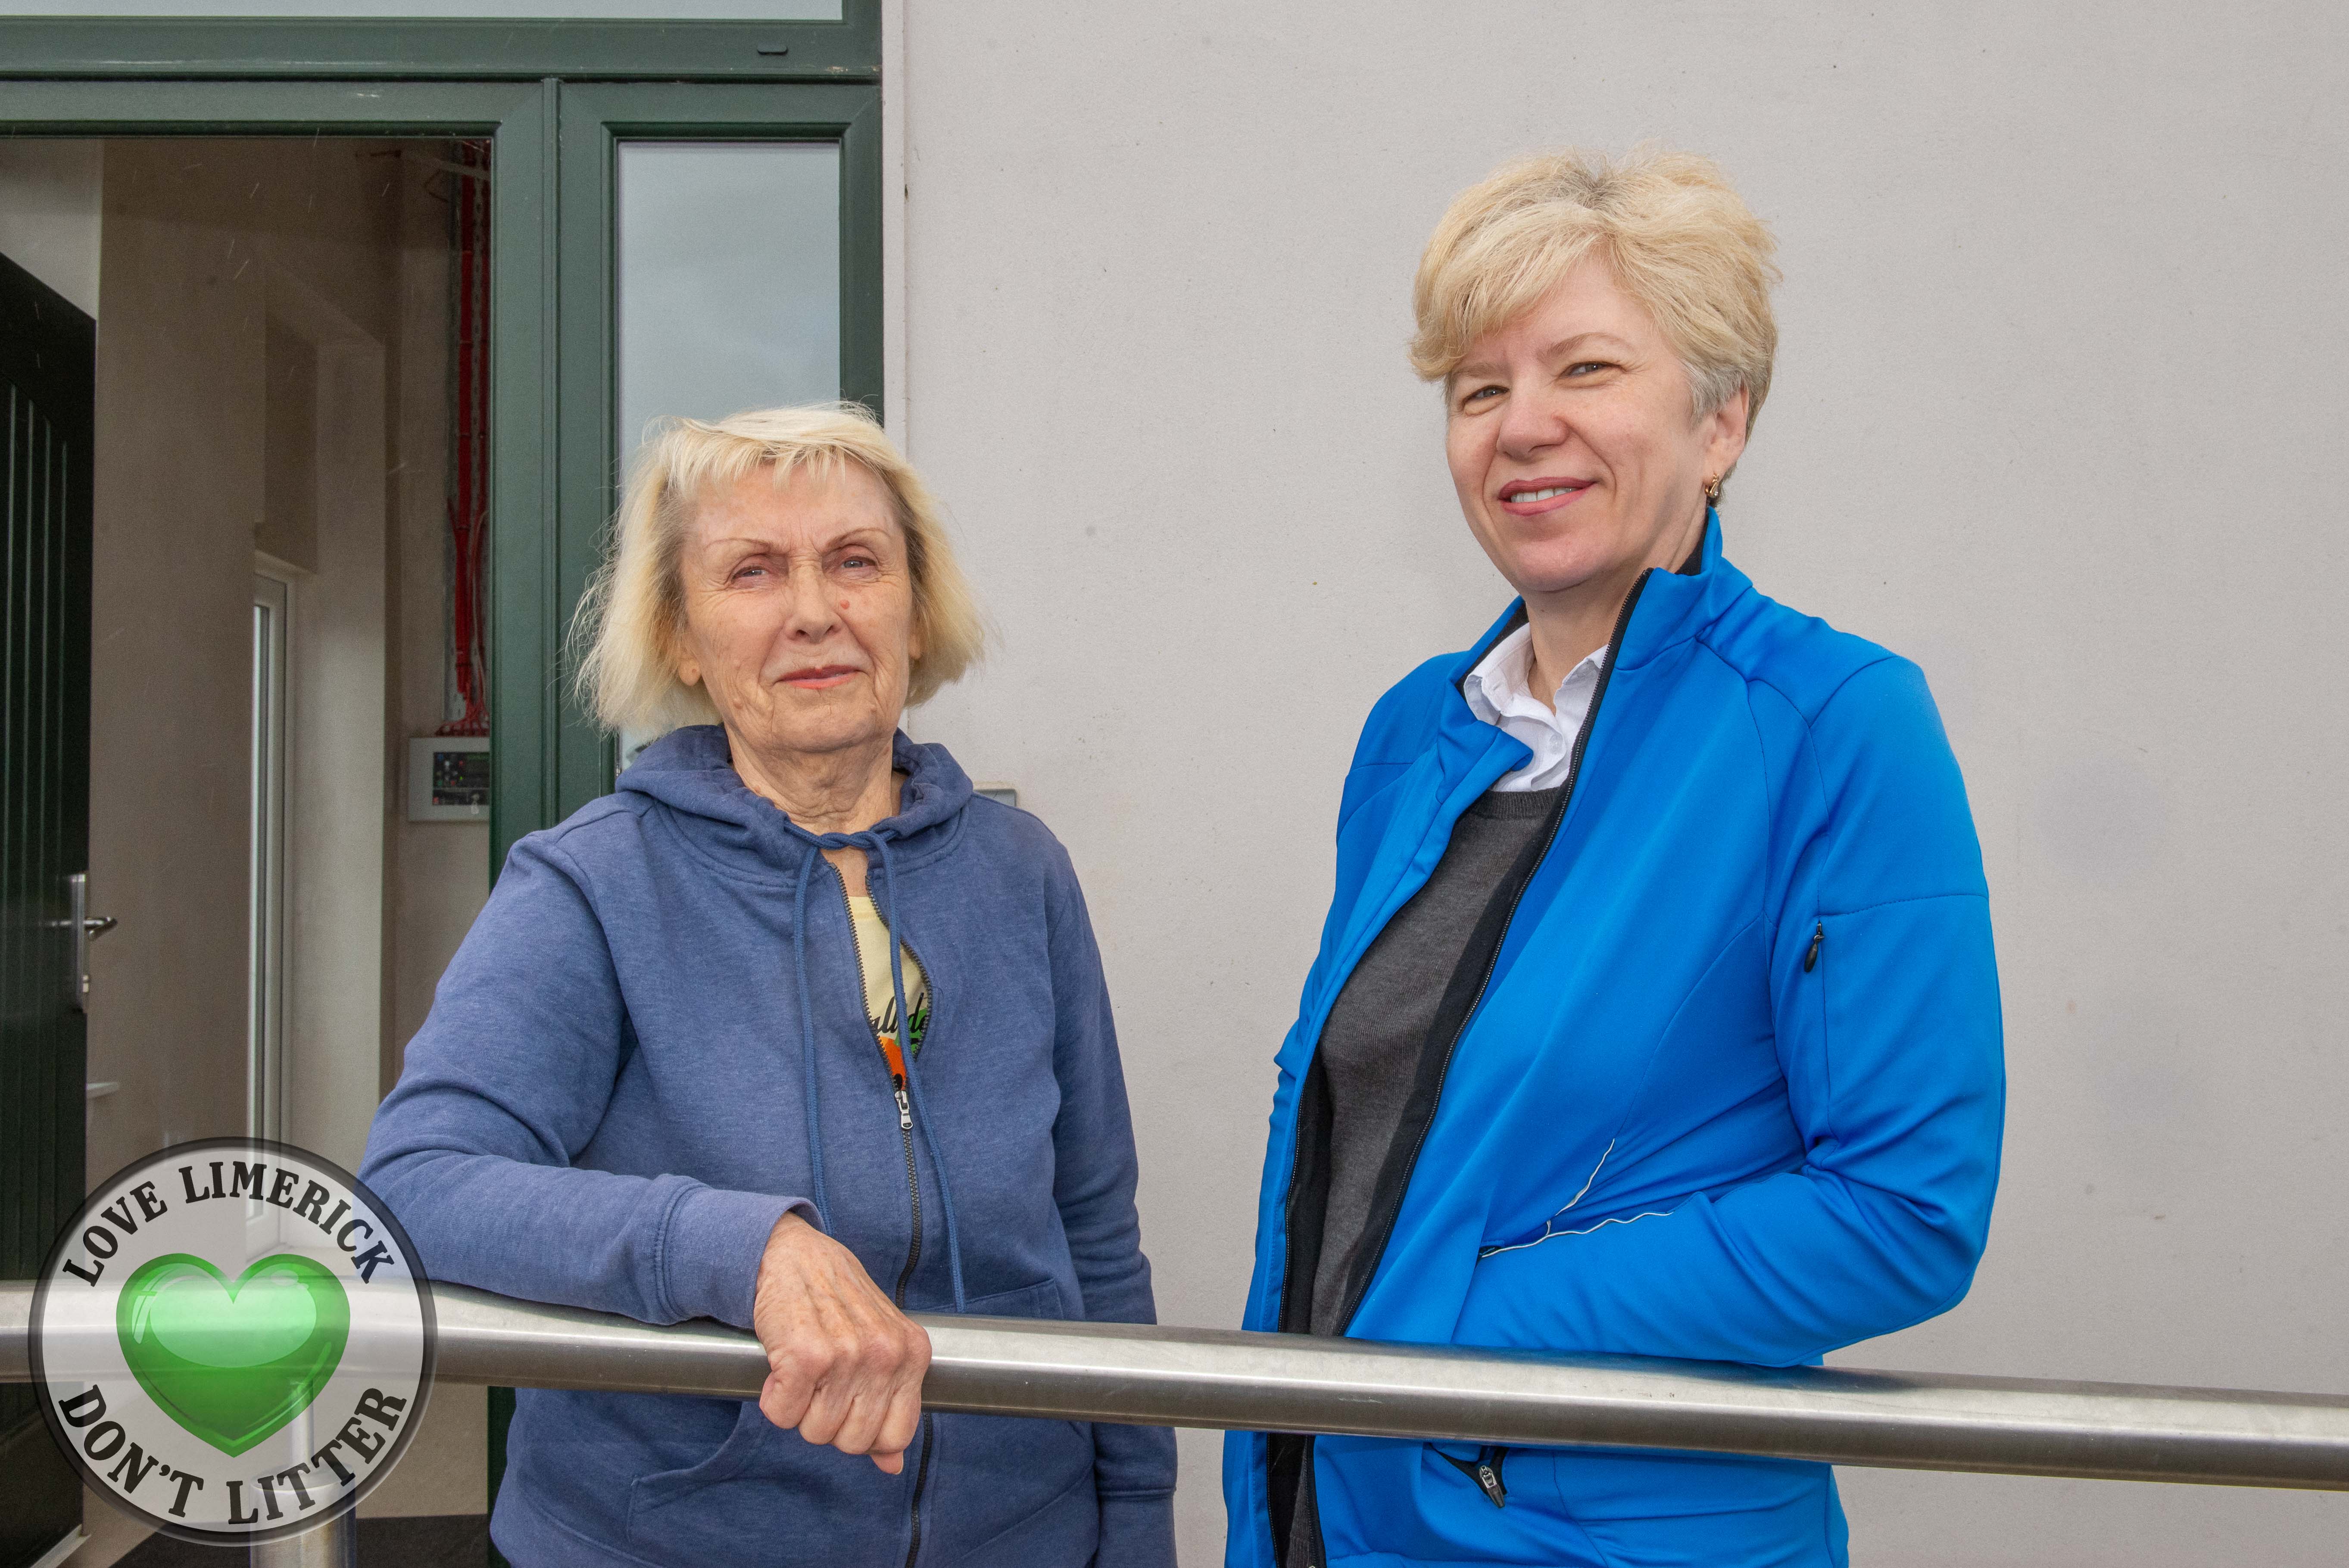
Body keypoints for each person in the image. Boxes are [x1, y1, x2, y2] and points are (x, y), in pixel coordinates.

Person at [1224, 149, 2006, 1568]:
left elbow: (1901, 1208)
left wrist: (1437, 1327)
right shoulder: (1415, 734)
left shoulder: (1831, 723)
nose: (1522, 426)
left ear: (1721, 425)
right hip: (1337, 1511)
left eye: (1585, 370)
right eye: (1478, 388)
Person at [362, 405, 1176, 1568]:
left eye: (856, 561)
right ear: (684, 637)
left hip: (1023, 1535)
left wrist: (1134, 1520)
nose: (814, 611)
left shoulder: (1021, 872)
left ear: (914, 603)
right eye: (752, 571)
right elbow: (416, 1187)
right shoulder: (591, 881)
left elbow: (1095, 1227)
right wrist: (735, 1248)